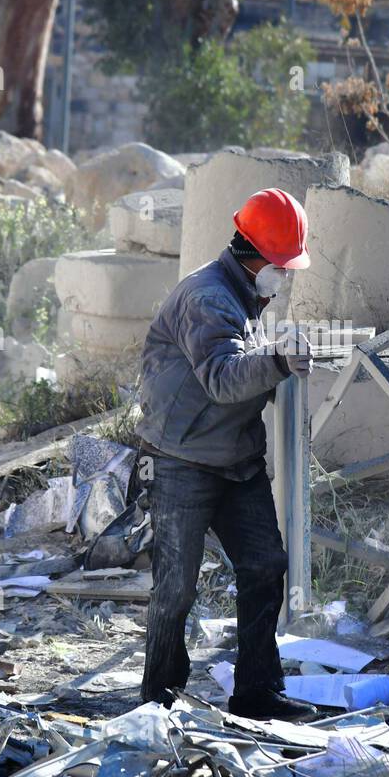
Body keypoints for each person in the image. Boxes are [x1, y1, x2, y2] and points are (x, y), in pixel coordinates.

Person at [136, 188, 316, 721]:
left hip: (236, 461)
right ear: (250, 253)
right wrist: (280, 360)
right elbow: (220, 377)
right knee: (176, 585)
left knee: (265, 566)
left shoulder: (246, 294)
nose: (283, 276)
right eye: (279, 265)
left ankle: (258, 692)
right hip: (179, 462)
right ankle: (159, 699)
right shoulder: (208, 298)